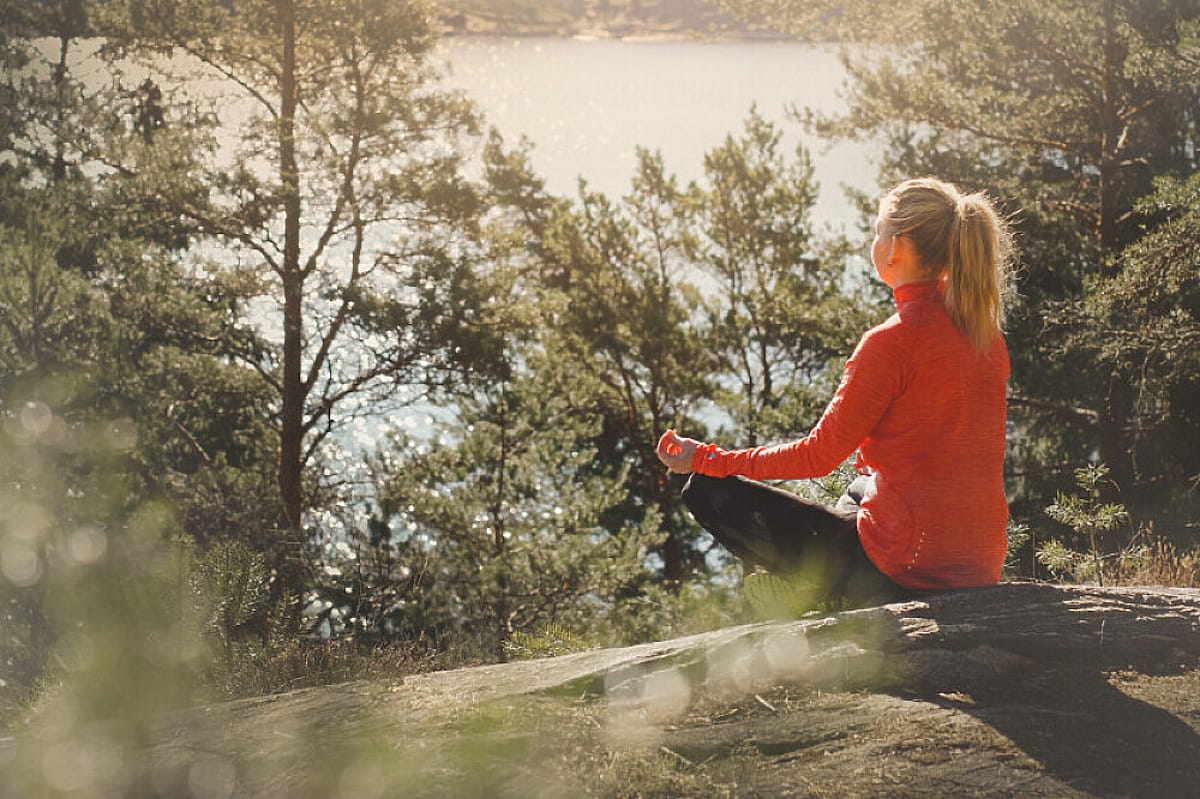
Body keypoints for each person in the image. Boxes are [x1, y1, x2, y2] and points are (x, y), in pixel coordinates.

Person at [656, 177, 1013, 610]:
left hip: (906, 572)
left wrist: (707, 459)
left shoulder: (891, 342)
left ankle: (823, 592)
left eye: (878, 231)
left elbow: (816, 457)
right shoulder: (986, 338)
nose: (873, 241)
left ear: (896, 248)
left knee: (705, 490)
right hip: (978, 563)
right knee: (862, 483)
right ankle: (816, 585)